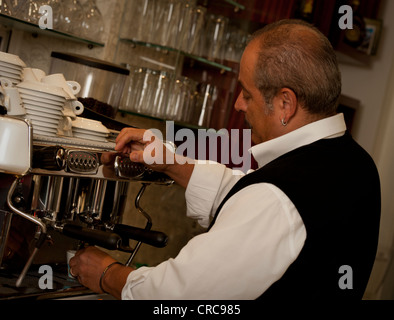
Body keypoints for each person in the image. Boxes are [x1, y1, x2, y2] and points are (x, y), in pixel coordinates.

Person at [69, 19, 381, 300]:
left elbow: (178, 295)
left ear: (286, 103)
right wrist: (171, 163)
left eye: (247, 92)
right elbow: (249, 198)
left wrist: (109, 275)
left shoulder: (276, 197)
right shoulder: (354, 162)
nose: (238, 104)